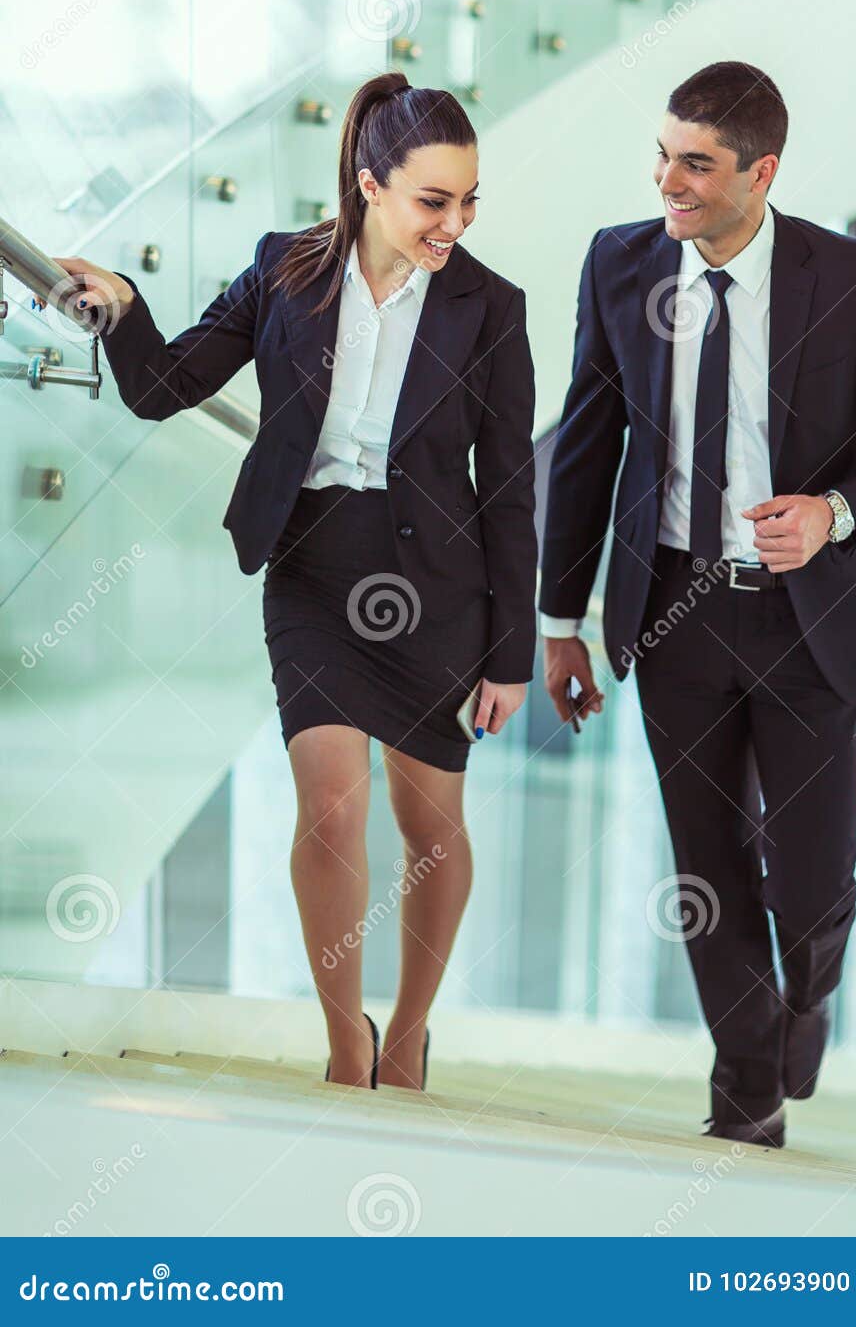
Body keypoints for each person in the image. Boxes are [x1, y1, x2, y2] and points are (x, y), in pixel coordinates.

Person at [49, 72, 538, 1095]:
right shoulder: (284, 271)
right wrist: (124, 309)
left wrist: (509, 656)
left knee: (430, 824)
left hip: (439, 583)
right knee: (327, 809)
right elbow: (161, 386)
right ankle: (343, 1036)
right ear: (370, 184)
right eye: (434, 200)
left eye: (468, 199)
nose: (456, 222)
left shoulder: (490, 307)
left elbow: (508, 492)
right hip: (314, 563)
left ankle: (407, 1032)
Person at [539, 60, 856, 1149]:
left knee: (810, 881)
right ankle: (747, 1096)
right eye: (662, 154)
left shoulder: (848, 277)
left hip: (807, 615)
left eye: (694, 164)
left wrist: (834, 509)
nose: (664, 180)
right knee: (705, 870)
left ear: (758, 173)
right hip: (671, 606)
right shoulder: (620, 264)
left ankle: (802, 996)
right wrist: (559, 620)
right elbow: (585, 444)